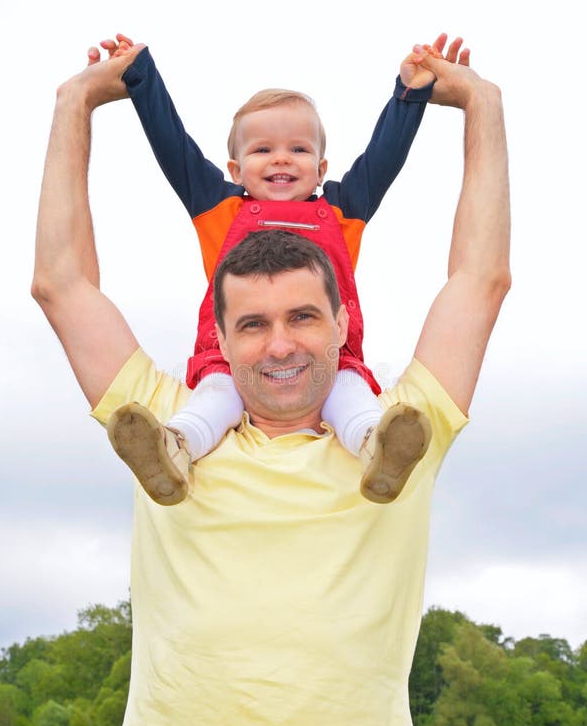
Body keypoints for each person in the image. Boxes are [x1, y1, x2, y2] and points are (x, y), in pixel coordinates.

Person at [32, 37, 510, 726]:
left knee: (379, 429)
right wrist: (75, 102)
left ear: (343, 322)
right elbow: (61, 283)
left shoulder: (406, 433)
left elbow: (480, 278)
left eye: (304, 317)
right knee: (178, 431)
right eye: (252, 324)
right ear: (220, 338)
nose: (280, 344)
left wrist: (481, 105)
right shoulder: (158, 419)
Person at [84, 34, 465, 506]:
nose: (282, 158)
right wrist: (140, 75)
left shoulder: (343, 210)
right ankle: (174, 448)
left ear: (321, 168)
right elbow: (173, 146)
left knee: (350, 394)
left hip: (327, 358)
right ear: (235, 169)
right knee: (214, 397)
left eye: (299, 149)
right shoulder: (218, 209)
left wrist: (410, 94)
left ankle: (377, 448)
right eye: (262, 149)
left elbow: (383, 158)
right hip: (231, 359)